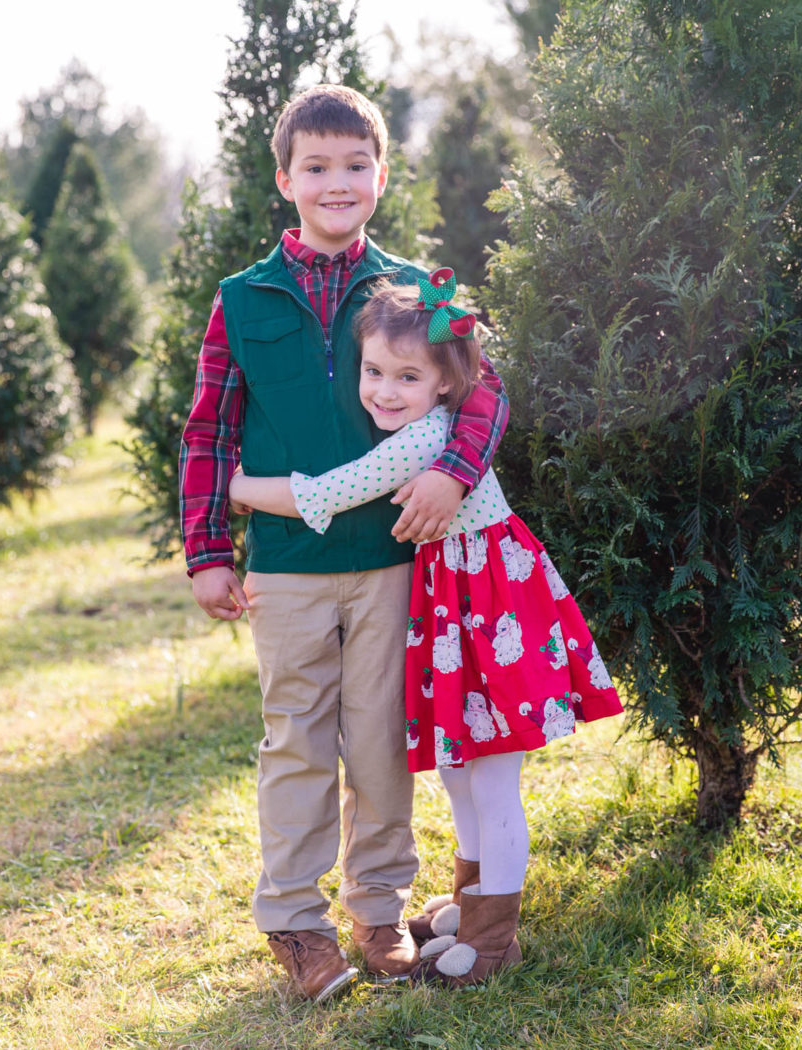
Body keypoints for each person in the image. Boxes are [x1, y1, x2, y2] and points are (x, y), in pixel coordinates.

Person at [179, 85, 510, 1002]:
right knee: (297, 741)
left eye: (356, 165)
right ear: (284, 178)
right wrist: (208, 549)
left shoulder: (415, 292)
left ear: (381, 174)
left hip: (394, 563)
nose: (338, 182)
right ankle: (294, 923)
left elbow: (484, 395)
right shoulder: (241, 302)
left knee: (378, 745)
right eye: (317, 167)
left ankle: (377, 912)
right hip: (285, 570)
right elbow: (208, 429)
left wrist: (451, 474)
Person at [229, 271, 624, 987]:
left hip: (491, 604)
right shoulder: (420, 426)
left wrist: (235, 484)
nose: (382, 390)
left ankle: (494, 937)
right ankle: (472, 908)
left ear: (446, 383)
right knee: (460, 767)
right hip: (457, 601)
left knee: (492, 773)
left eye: (407, 376)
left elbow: (328, 494)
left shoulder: (424, 441)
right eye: (372, 371)